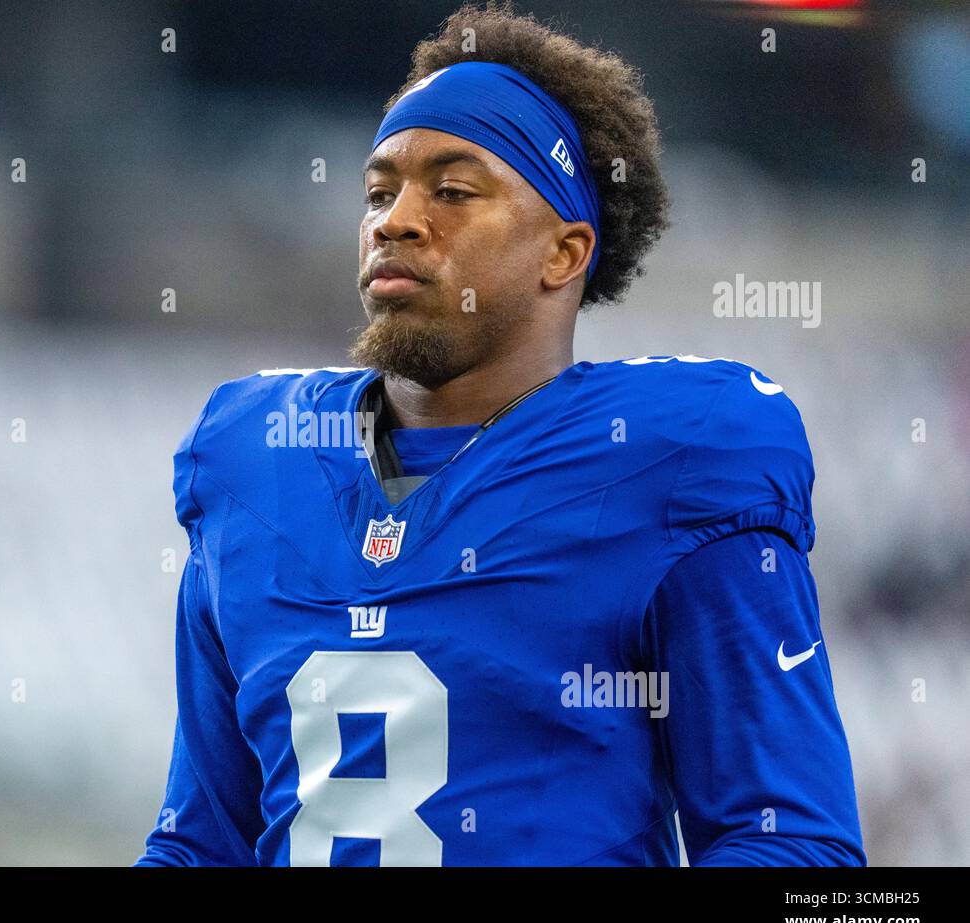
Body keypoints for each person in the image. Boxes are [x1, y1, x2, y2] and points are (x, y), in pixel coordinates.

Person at [136, 1, 865, 866]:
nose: (395, 221)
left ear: (564, 252)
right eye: (379, 192)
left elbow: (794, 848)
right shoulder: (251, 462)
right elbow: (201, 845)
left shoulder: (672, 460)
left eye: (452, 191)